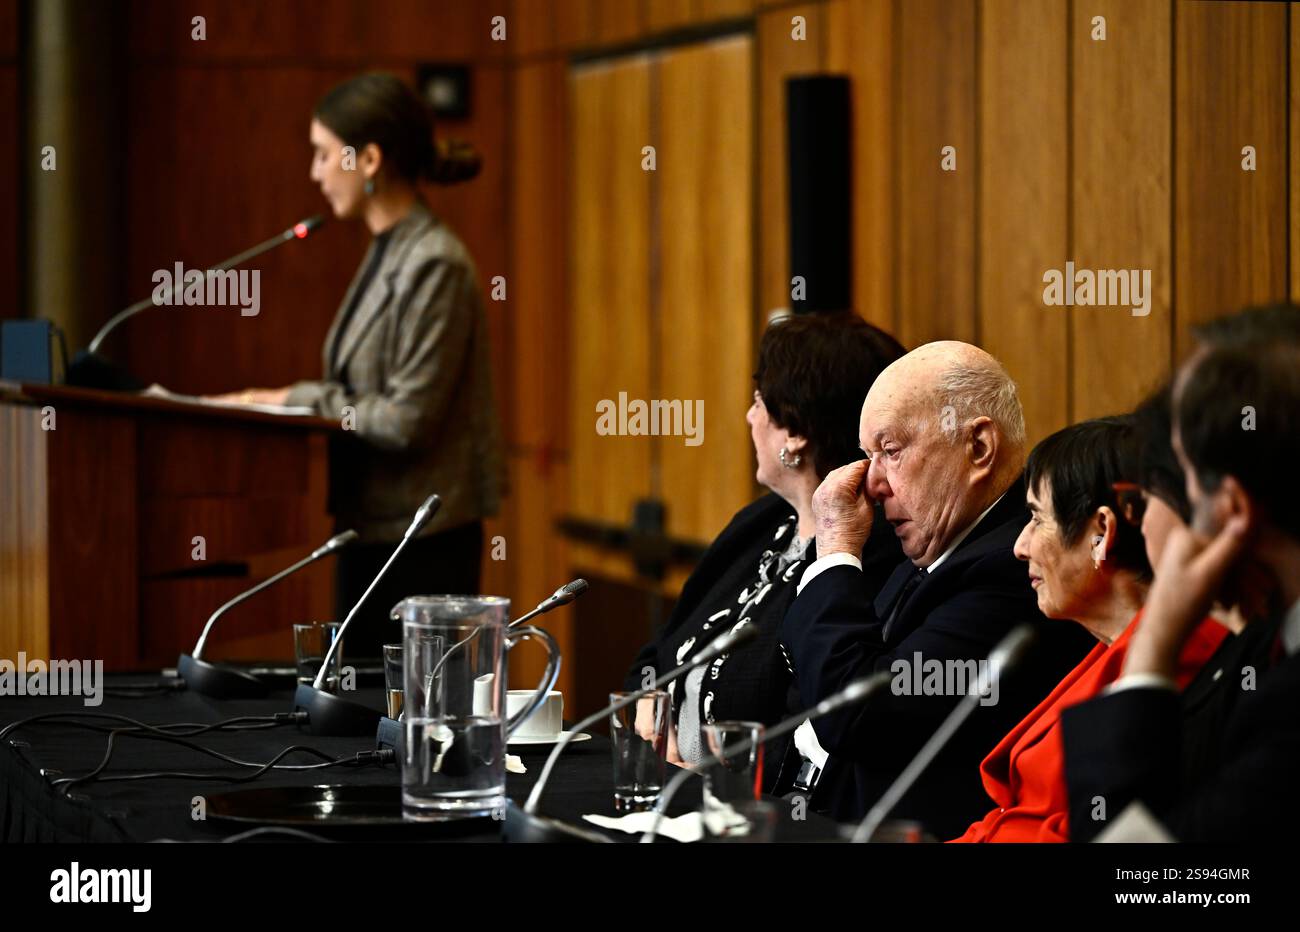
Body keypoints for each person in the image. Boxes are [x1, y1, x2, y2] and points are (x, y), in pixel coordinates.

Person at [209, 73, 503, 656]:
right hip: (372, 531)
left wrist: (290, 398)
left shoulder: (434, 262)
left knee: (401, 729)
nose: (315, 173)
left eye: (322, 154)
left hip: (420, 545)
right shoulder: (387, 249)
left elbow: (404, 420)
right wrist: (284, 398)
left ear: (368, 158)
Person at [780, 341, 1094, 837]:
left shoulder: (1016, 571)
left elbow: (858, 715)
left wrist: (837, 547)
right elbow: (806, 681)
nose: (874, 484)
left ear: (978, 449)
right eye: (868, 457)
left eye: (890, 451)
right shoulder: (933, 538)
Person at [623, 312, 906, 791]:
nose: (750, 417)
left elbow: (809, 733)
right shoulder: (758, 525)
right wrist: (647, 699)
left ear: (795, 433)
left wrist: (704, 778)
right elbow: (656, 653)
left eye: (759, 402)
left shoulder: (865, 559)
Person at [1062, 339, 1300, 841]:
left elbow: (1151, 891)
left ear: (1230, 510)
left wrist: (1153, 645)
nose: (1141, 526)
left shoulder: (1280, 693)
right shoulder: (1266, 648)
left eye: (1143, 500)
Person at [950, 416, 1225, 843]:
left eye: (1036, 518)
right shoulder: (1108, 648)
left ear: (1101, 533)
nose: (1020, 547)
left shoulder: (1182, 657)